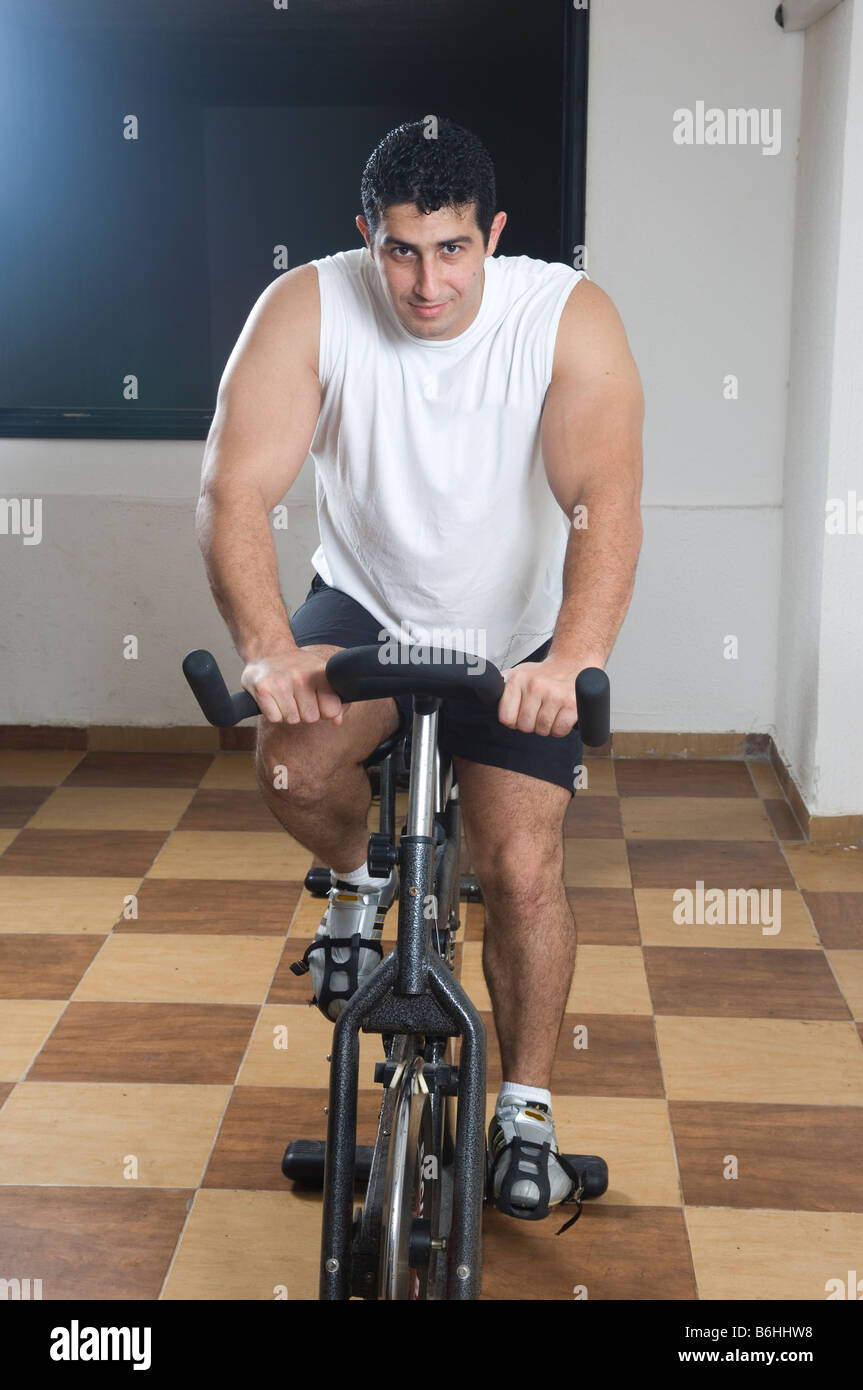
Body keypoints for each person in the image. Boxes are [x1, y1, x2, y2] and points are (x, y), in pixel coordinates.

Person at [196, 117, 644, 1224]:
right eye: (401, 250)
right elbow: (232, 492)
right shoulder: (307, 304)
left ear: (491, 235)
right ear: (367, 236)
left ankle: (525, 1107)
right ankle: (358, 879)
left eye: (451, 249)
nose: (427, 281)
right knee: (293, 772)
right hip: (367, 605)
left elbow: (604, 498)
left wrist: (575, 654)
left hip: (516, 635)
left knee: (522, 867)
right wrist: (266, 646)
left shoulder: (563, 317)